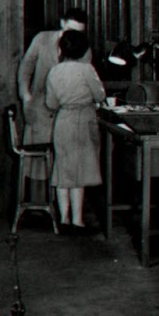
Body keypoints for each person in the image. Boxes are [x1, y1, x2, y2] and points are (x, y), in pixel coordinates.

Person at [43, 26, 106, 233]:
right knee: (80, 172)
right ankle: (78, 220)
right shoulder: (87, 69)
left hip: (63, 122)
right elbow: (100, 96)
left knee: (63, 171)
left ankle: (63, 219)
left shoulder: (54, 71)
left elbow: (51, 104)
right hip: (83, 119)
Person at [17, 7, 89, 179]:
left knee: (64, 169)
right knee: (37, 169)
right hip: (39, 111)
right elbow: (25, 68)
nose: (73, 36)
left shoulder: (83, 48)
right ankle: (38, 204)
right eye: (70, 30)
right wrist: (26, 96)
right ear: (62, 23)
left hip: (66, 116)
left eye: (78, 32)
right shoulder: (42, 39)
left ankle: (59, 206)